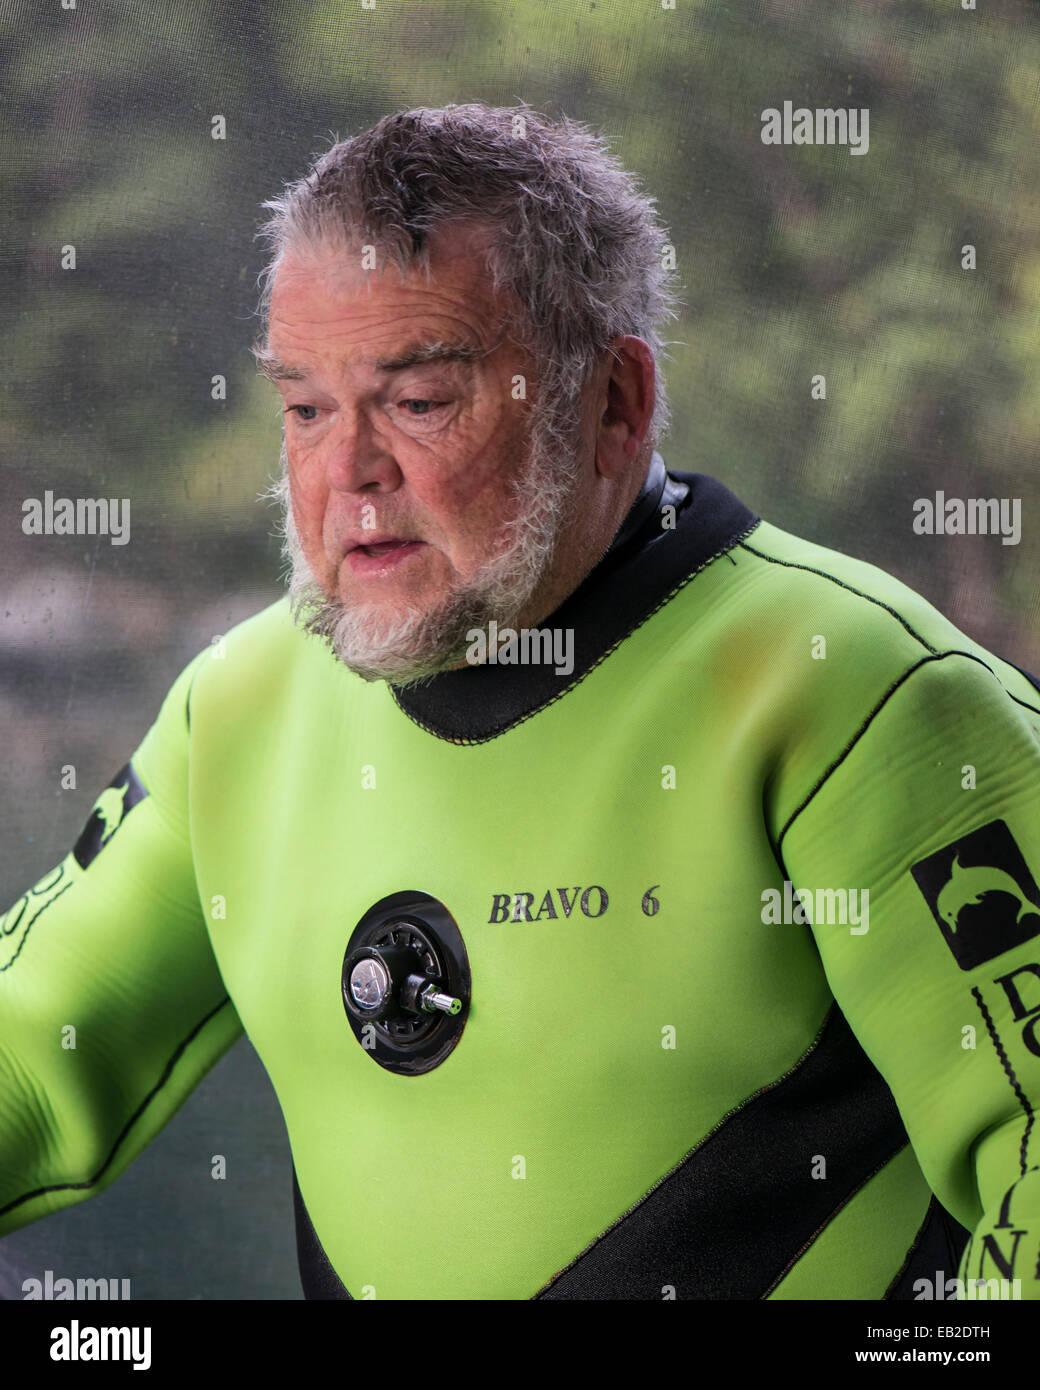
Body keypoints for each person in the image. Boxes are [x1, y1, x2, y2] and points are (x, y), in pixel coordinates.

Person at [2, 102, 1038, 1302]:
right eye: (305, 408)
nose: (348, 472)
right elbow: (29, 1055)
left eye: (418, 401)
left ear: (609, 404)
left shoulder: (857, 698)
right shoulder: (236, 709)